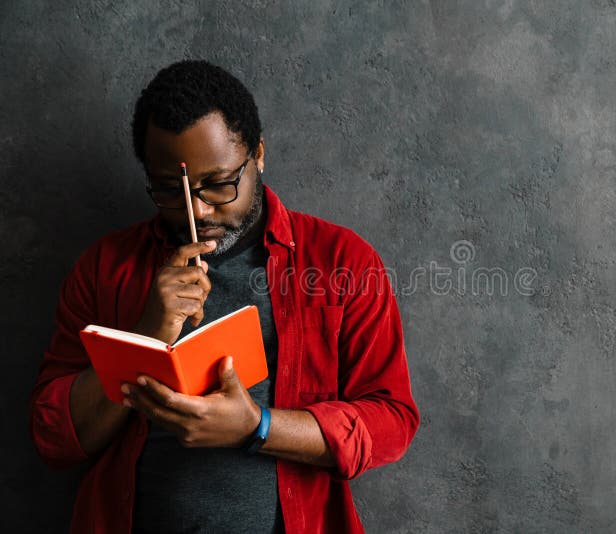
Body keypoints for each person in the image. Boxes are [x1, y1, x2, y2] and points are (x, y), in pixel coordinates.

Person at [29, 59, 419, 534]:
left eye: (217, 184)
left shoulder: (341, 262)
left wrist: (256, 427)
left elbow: (391, 422)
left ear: (257, 154)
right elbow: (55, 437)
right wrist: (146, 337)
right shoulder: (104, 268)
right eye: (170, 189)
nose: (196, 209)